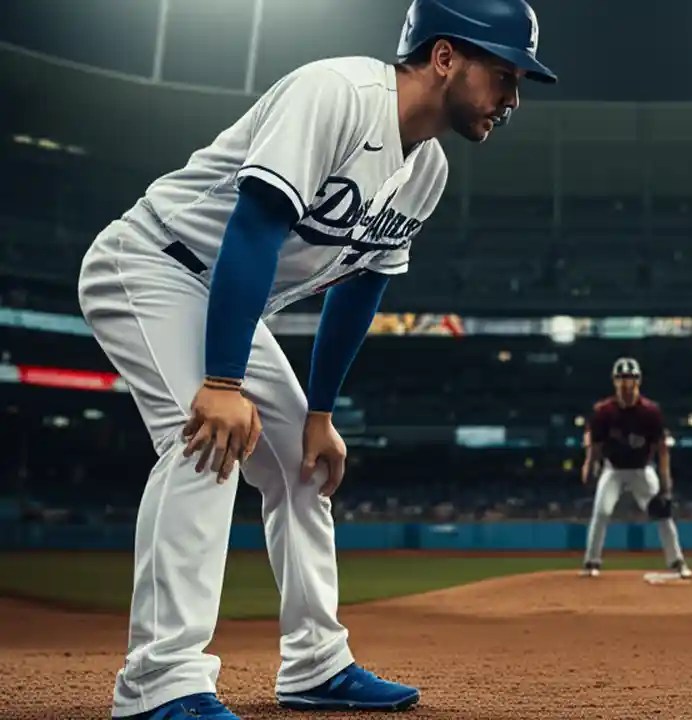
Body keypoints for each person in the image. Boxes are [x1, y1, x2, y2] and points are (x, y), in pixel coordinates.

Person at [76, 1, 556, 717]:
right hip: (152, 262)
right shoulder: (336, 93)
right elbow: (255, 225)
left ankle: (314, 663)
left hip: (225, 297)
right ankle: (159, 683)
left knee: (305, 470)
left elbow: (363, 287)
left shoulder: (426, 172)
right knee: (210, 440)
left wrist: (320, 413)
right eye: (504, 72)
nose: (513, 98)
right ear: (445, 56)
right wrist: (222, 381)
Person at [580, 358, 692, 580]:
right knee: (601, 511)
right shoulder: (604, 412)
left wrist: (666, 484)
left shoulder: (651, 412)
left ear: (638, 381)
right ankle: (591, 561)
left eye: (630, 378)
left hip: (642, 470)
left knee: (662, 513)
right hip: (613, 470)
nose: (626, 383)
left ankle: (677, 561)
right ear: (614, 382)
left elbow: (661, 450)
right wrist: (588, 465)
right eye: (621, 378)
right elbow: (595, 445)